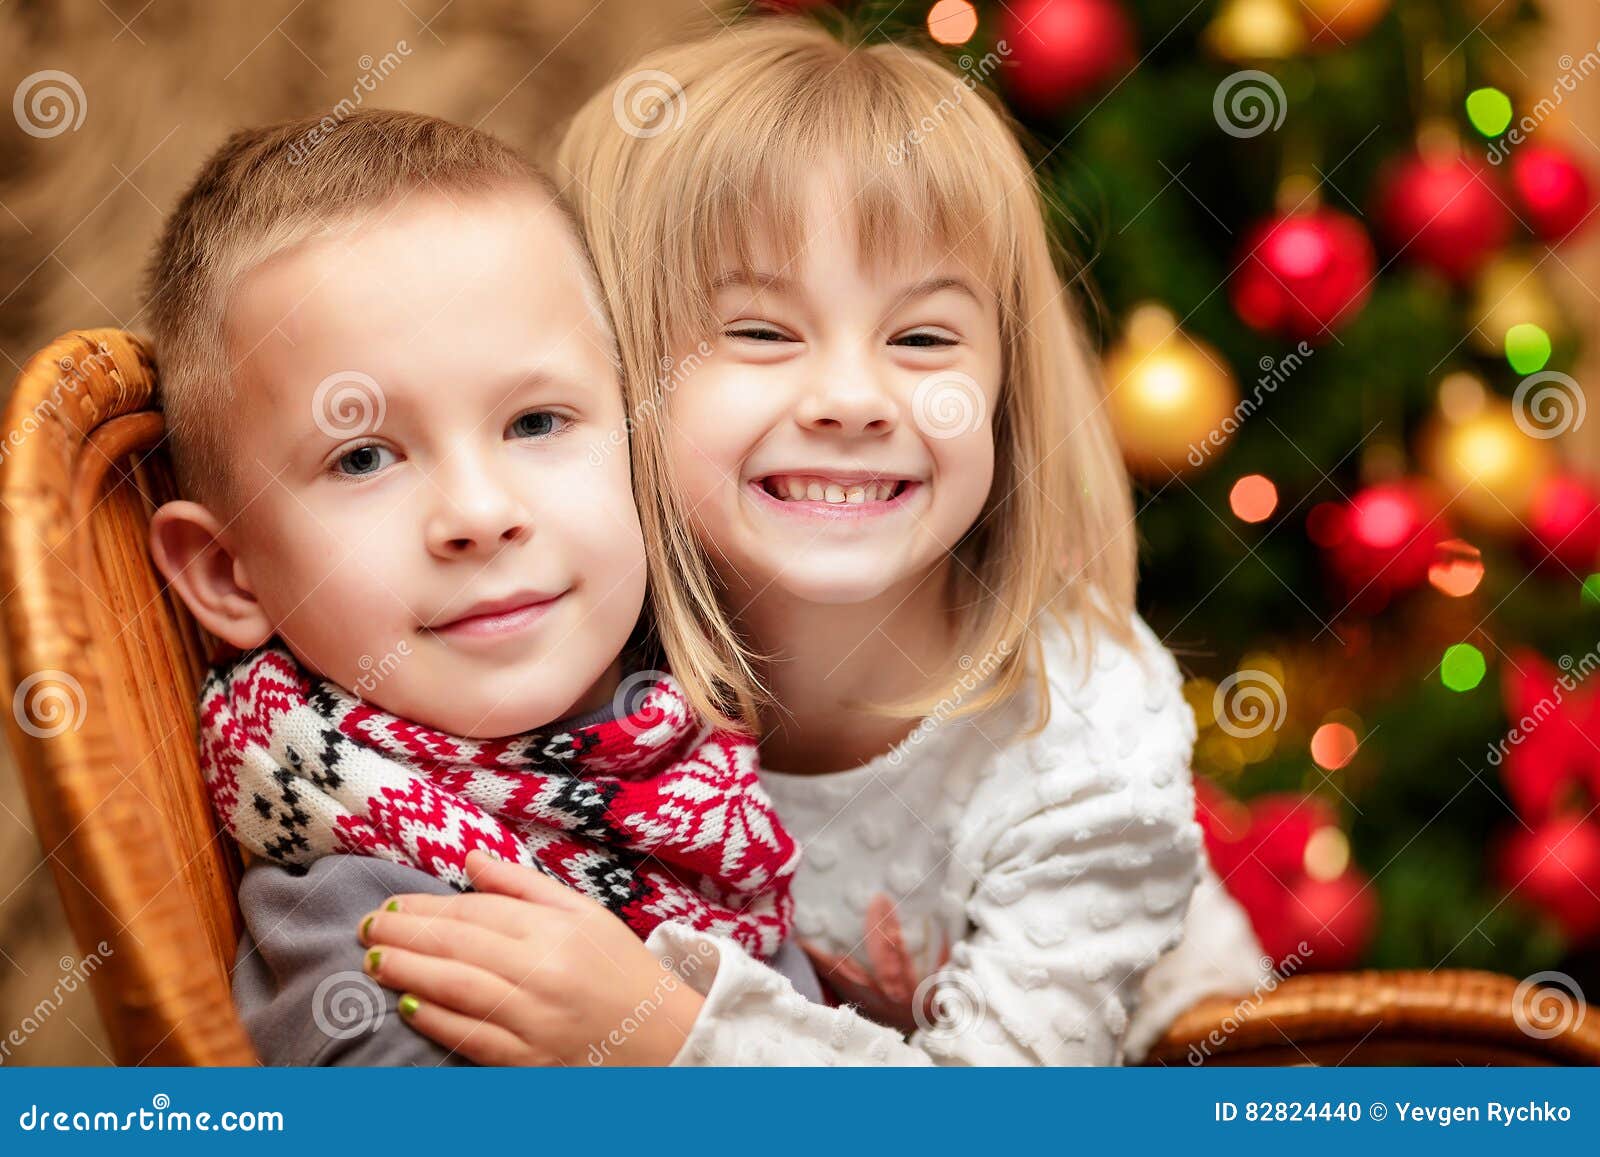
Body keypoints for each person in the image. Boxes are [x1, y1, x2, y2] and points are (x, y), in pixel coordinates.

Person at [143, 108, 818, 1066]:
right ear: (228, 574)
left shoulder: (700, 759)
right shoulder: (370, 920)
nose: (479, 512)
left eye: (535, 422)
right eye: (364, 456)